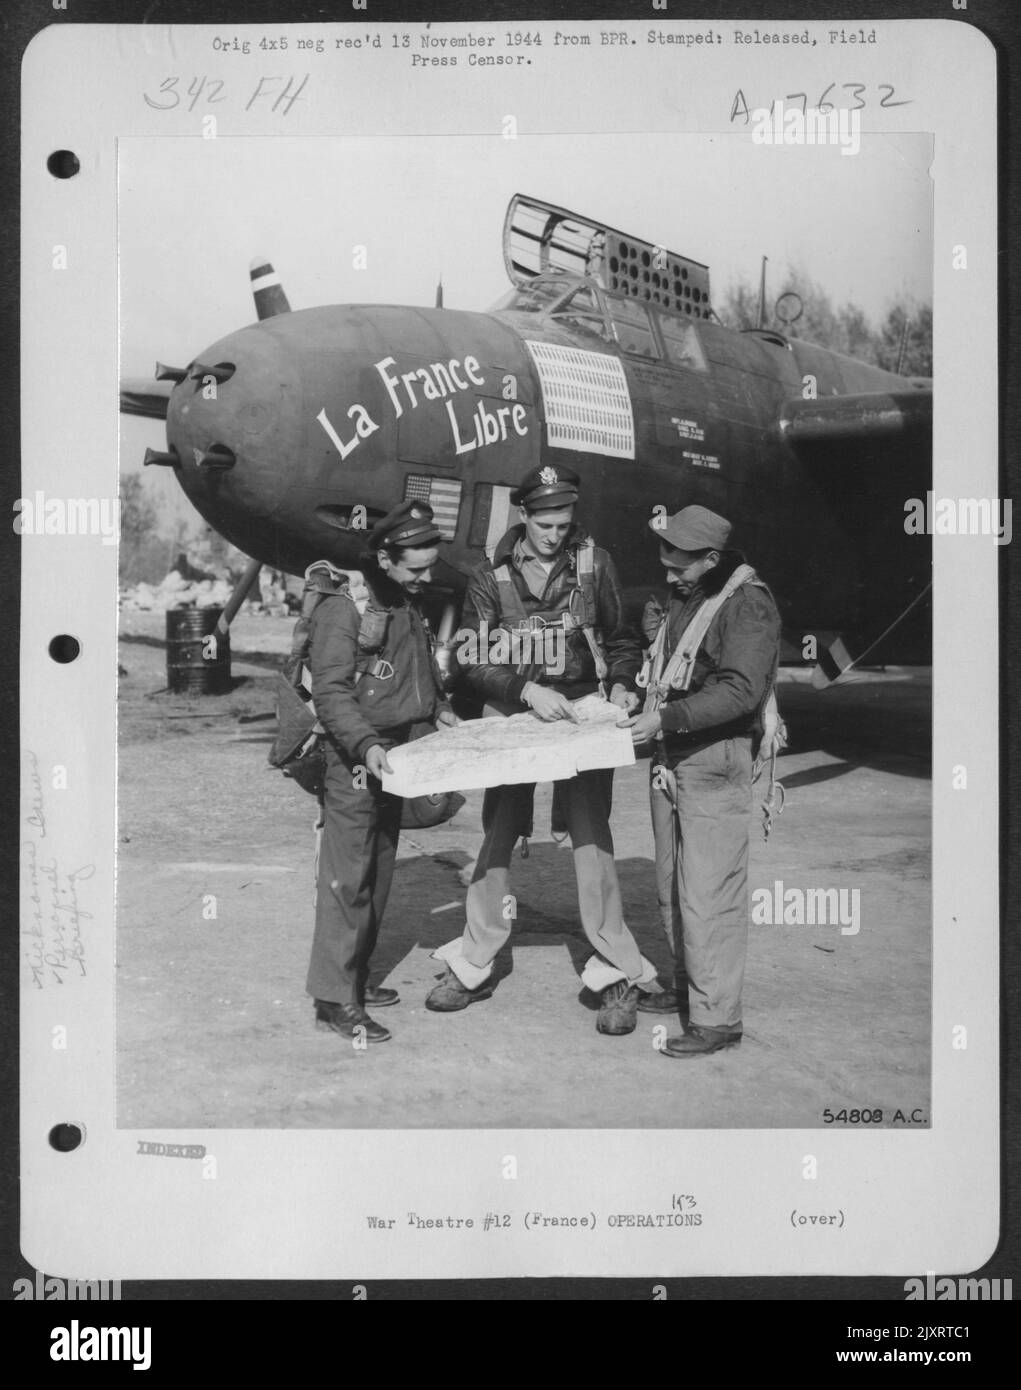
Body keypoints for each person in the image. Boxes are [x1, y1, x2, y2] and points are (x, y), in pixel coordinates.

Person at [426, 463, 659, 1034]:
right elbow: (474, 660)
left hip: (583, 712)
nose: (555, 534)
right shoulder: (489, 576)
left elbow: (622, 637)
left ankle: (617, 970)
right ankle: (475, 961)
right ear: (523, 516)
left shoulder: (595, 564)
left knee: (591, 836)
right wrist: (524, 688)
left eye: (564, 523)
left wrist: (625, 683)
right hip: (514, 709)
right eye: (544, 523)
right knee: (498, 833)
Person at [621, 504, 782, 1058]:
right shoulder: (691, 593)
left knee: (710, 893)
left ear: (711, 559)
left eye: (679, 566)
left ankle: (717, 1021)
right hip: (672, 756)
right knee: (670, 881)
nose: (668, 574)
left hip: (715, 758)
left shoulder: (749, 605)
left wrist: (664, 718)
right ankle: (686, 985)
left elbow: (741, 690)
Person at [306, 500, 456, 1044]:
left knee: (380, 871)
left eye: (430, 566)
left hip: (398, 754)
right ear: (385, 559)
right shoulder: (344, 608)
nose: (426, 577)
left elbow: (418, 673)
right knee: (347, 879)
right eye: (415, 568)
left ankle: (358, 978)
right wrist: (366, 745)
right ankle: (333, 999)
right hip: (354, 759)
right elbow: (331, 691)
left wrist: (439, 711)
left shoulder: (403, 600)